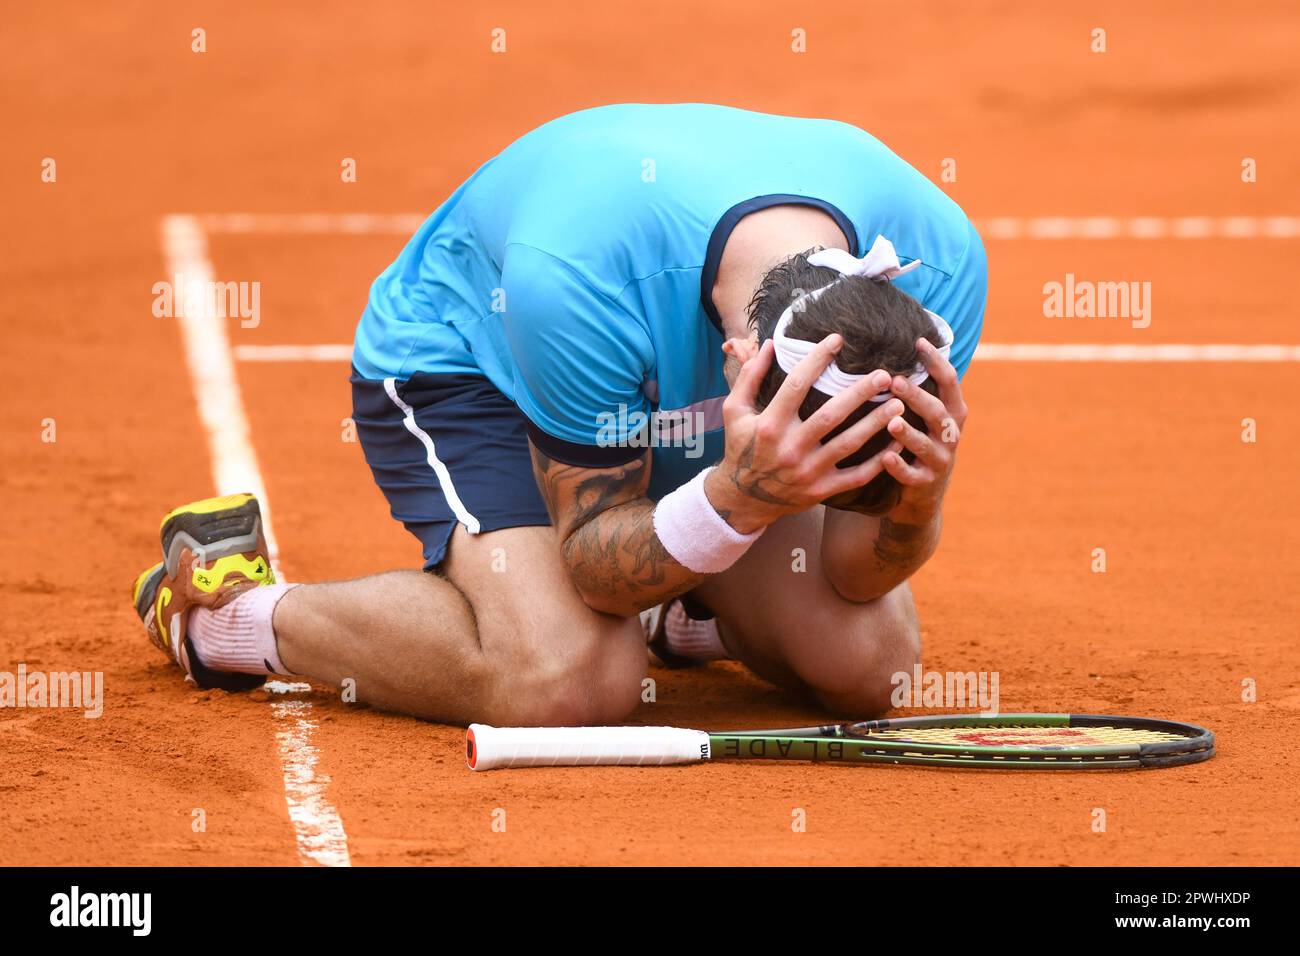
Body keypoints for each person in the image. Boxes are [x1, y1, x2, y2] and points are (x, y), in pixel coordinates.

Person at [132, 103, 987, 726]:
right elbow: (594, 561)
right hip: (475, 362)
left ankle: (686, 606)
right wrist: (740, 501)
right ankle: (226, 616)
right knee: (569, 680)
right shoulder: (572, 279)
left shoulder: (937, 270)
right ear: (735, 368)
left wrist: (917, 498)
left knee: (870, 668)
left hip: (668, 404)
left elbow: (851, 571)